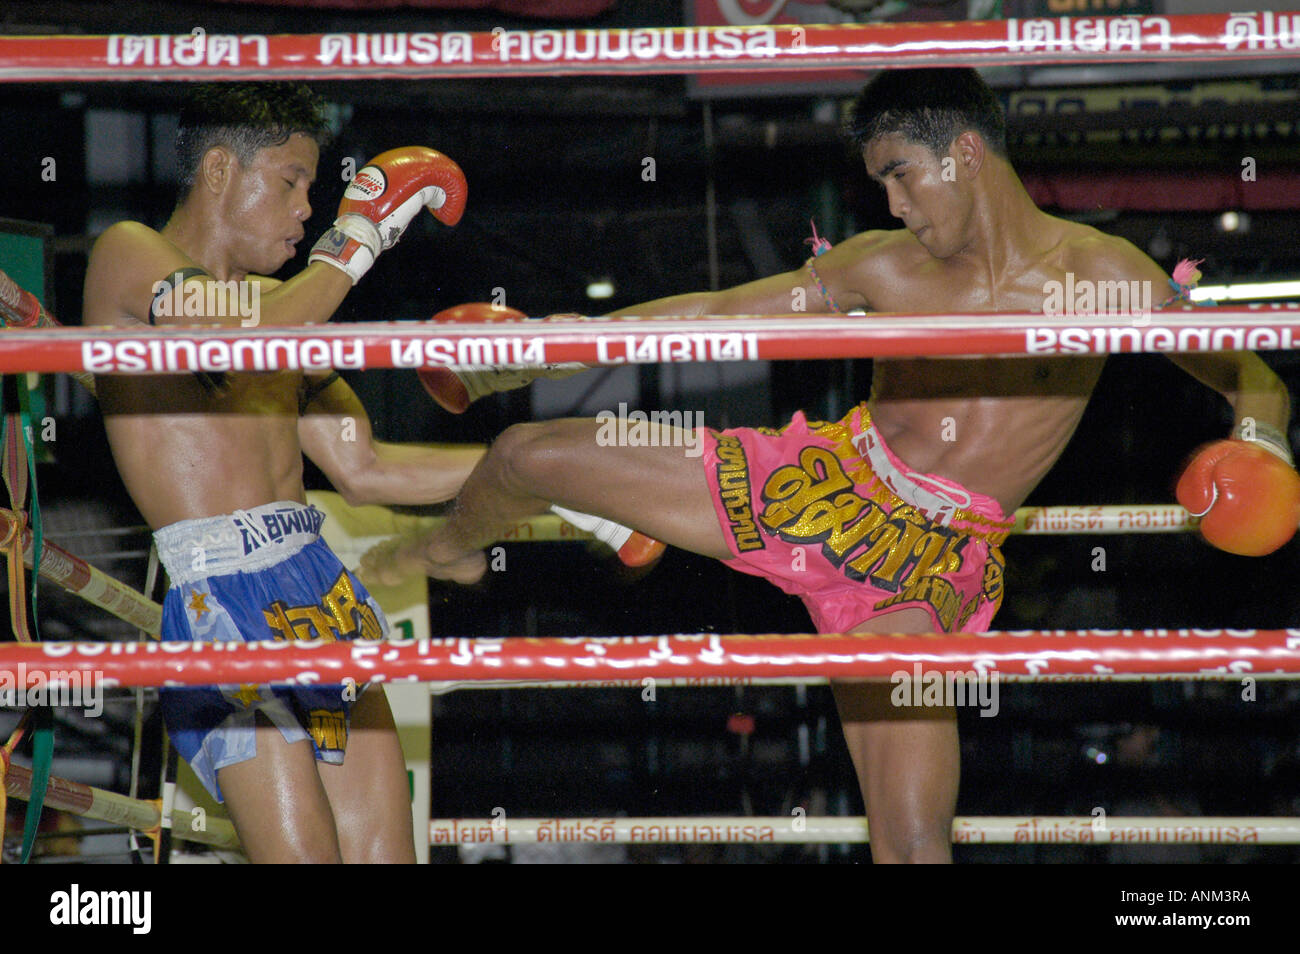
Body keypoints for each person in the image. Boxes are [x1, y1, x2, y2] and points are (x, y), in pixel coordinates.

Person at [365, 68, 1297, 863]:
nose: (891, 202)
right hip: (817, 482)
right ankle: (444, 555)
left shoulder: (1102, 277)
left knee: (912, 840)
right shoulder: (884, 266)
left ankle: (612, 524)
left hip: (923, 567)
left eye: (900, 174)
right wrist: (559, 346)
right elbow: (729, 309)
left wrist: (1261, 441)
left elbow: (1248, 371)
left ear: (964, 151)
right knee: (526, 451)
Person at [81, 82, 482, 863]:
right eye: (292, 181)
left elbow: (363, 468)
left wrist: (530, 469)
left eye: (315, 190)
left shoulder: (280, 311)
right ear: (221, 170)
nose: (307, 208)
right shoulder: (129, 254)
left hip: (322, 581)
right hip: (222, 596)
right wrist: (356, 237)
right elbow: (249, 330)